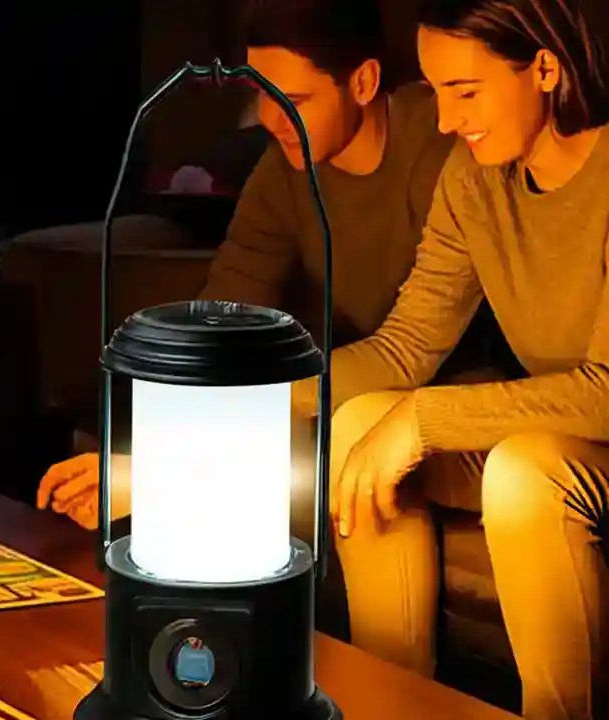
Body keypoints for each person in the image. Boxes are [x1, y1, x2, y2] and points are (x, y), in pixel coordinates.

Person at [36, 0, 470, 529]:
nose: (269, 118)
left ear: (362, 82)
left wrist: (172, 467)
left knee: (332, 422)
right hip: (366, 394)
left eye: (293, 100)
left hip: (466, 388)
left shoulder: (443, 143)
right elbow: (222, 319)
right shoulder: (283, 172)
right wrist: (158, 445)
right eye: (260, 95)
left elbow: (406, 353)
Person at [294, 0, 609, 716]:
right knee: (361, 424)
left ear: (546, 70)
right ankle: (392, 703)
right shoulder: (475, 180)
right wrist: (231, 401)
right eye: (435, 91)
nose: (442, 121)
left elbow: (606, 394)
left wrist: (426, 418)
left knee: (525, 471)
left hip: (573, 448)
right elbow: (405, 346)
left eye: (464, 92)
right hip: (552, 434)